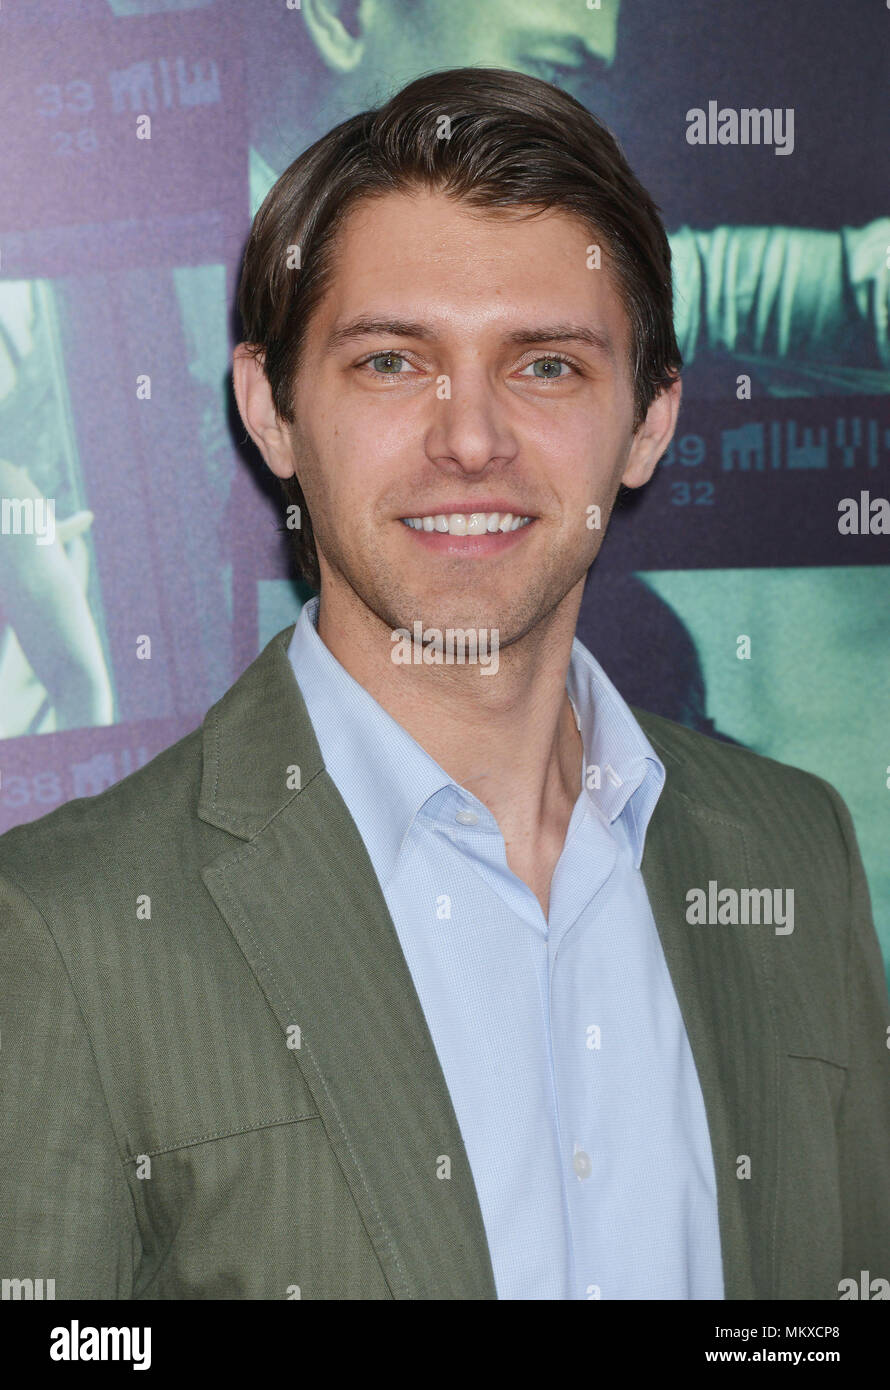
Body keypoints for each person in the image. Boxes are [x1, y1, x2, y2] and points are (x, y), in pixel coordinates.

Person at [0, 67, 887, 1301]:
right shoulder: (63, 928)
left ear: (648, 421)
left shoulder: (794, 852)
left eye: (545, 368)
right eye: (388, 363)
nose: (469, 436)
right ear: (270, 410)